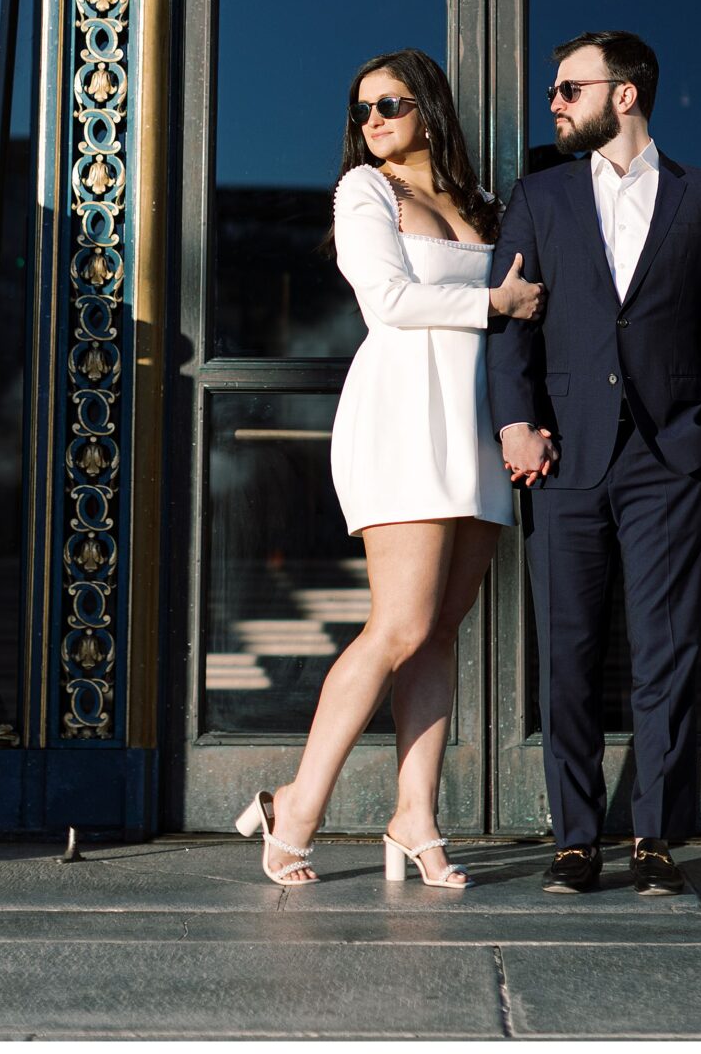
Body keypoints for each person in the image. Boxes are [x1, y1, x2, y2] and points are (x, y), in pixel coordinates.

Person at [236, 48, 544, 889]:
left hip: (474, 423)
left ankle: (415, 817)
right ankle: (296, 807)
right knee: (399, 625)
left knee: (440, 631)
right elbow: (389, 301)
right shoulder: (364, 191)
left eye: (391, 103)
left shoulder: (485, 201)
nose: (372, 120)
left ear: (431, 108)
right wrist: (494, 301)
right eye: (362, 108)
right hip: (403, 413)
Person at [486, 30, 701, 896]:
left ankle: (654, 835)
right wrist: (515, 423)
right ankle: (575, 839)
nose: (556, 104)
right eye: (555, 93)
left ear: (626, 94)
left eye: (570, 89)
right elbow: (511, 326)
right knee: (567, 652)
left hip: (669, 456)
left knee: (665, 650)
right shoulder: (539, 195)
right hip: (564, 455)